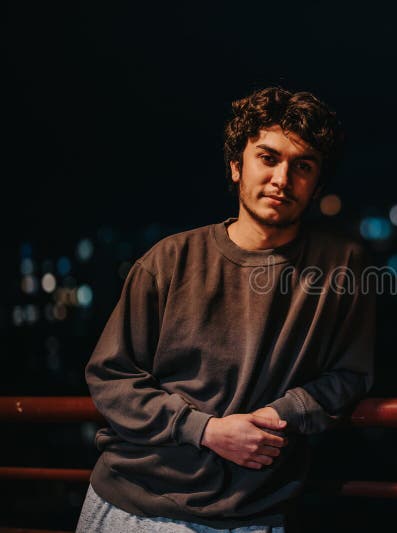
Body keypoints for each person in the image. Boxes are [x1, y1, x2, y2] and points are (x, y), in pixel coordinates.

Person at [77, 87, 376, 532]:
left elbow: (350, 375)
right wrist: (206, 430)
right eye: (268, 158)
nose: (282, 178)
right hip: (133, 502)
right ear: (237, 166)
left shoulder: (341, 266)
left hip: (249, 513)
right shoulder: (170, 259)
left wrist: (283, 414)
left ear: (317, 186)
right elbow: (110, 377)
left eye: (303, 166)